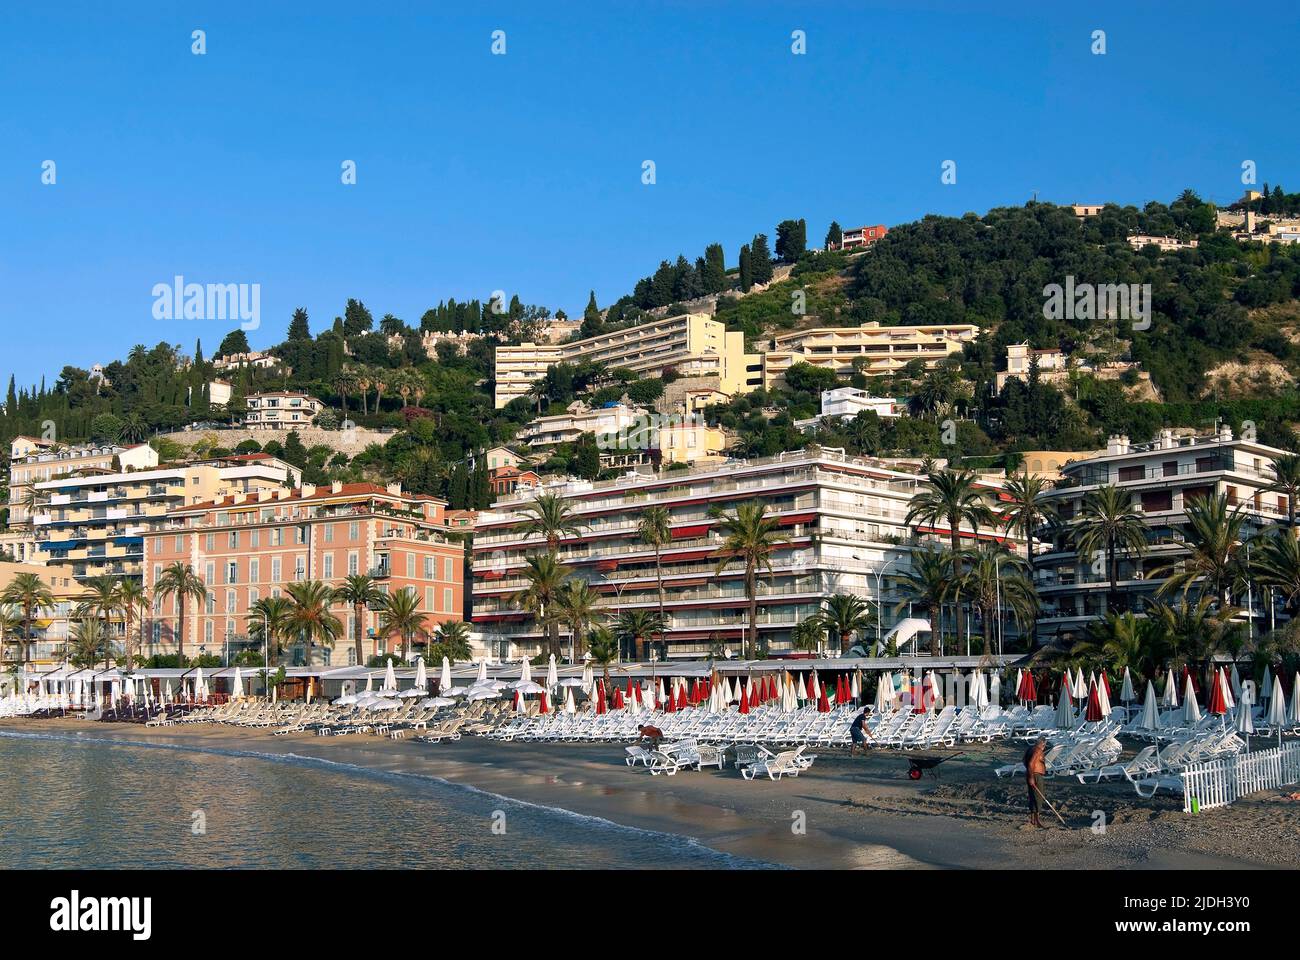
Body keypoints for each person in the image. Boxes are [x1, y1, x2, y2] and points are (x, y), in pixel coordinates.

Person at [1024, 737, 1048, 828]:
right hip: (1035, 776)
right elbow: (1030, 763)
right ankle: (1037, 820)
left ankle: (1033, 819)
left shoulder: (1030, 749)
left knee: (1033, 796)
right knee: (1038, 798)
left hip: (1032, 774)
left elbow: (1024, 761)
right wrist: (1031, 777)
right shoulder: (1037, 751)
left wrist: (1030, 775)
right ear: (1042, 744)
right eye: (1044, 745)